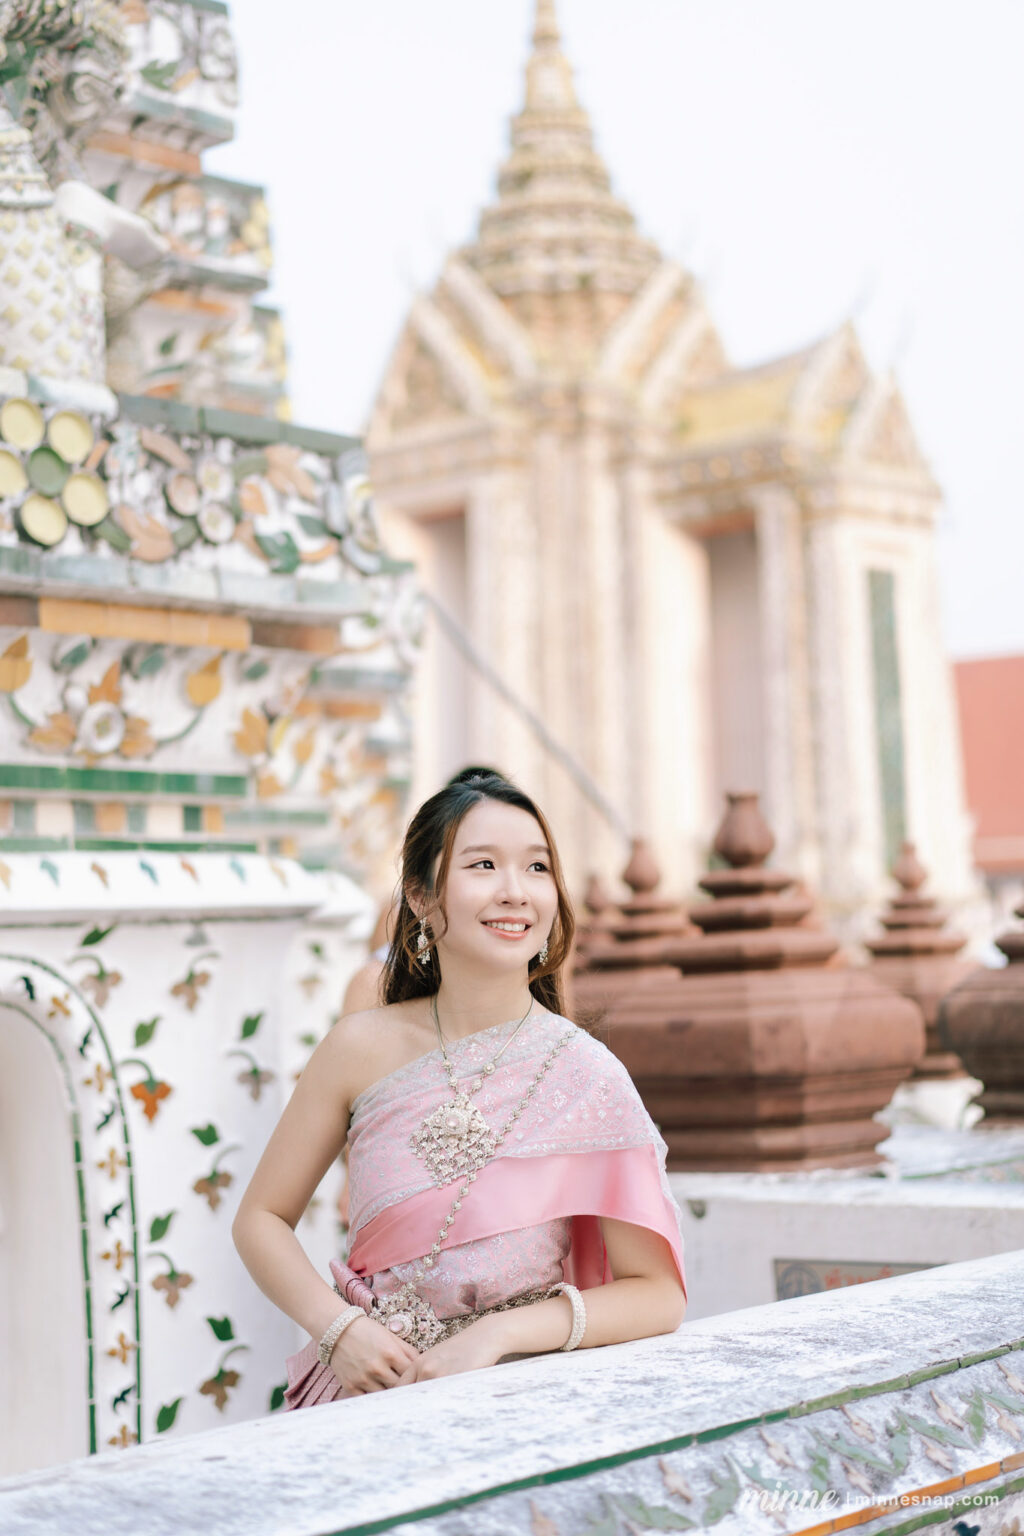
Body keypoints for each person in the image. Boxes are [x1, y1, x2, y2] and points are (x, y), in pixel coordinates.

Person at [232, 769, 686, 1406]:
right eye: (483, 865)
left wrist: (498, 1334)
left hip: (513, 1402)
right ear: (420, 896)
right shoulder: (358, 1048)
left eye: (536, 868)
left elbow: (657, 1293)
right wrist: (339, 1330)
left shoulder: (587, 1074)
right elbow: (260, 1218)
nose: (515, 892)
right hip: (361, 1395)